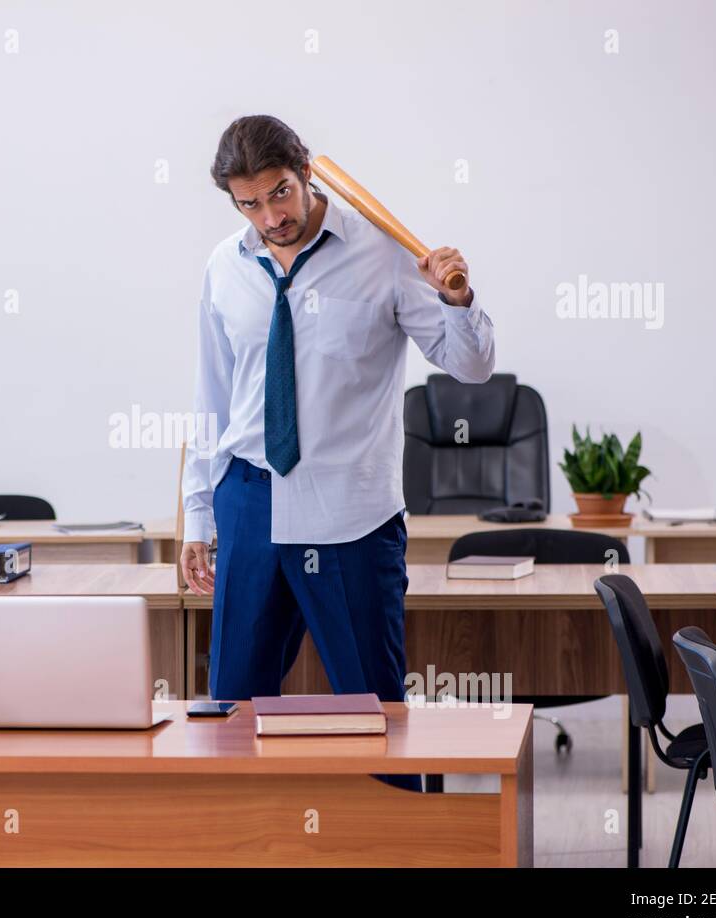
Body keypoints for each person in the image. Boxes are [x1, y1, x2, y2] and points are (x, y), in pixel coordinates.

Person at [179, 116, 496, 790]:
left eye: (281, 193)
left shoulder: (382, 255)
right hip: (250, 500)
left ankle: (396, 846)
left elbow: (469, 368)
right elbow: (211, 398)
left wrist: (458, 299)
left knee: (375, 716)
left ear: (306, 173)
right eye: (251, 203)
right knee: (232, 713)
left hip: (351, 511)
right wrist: (199, 514)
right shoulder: (224, 268)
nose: (271, 215)